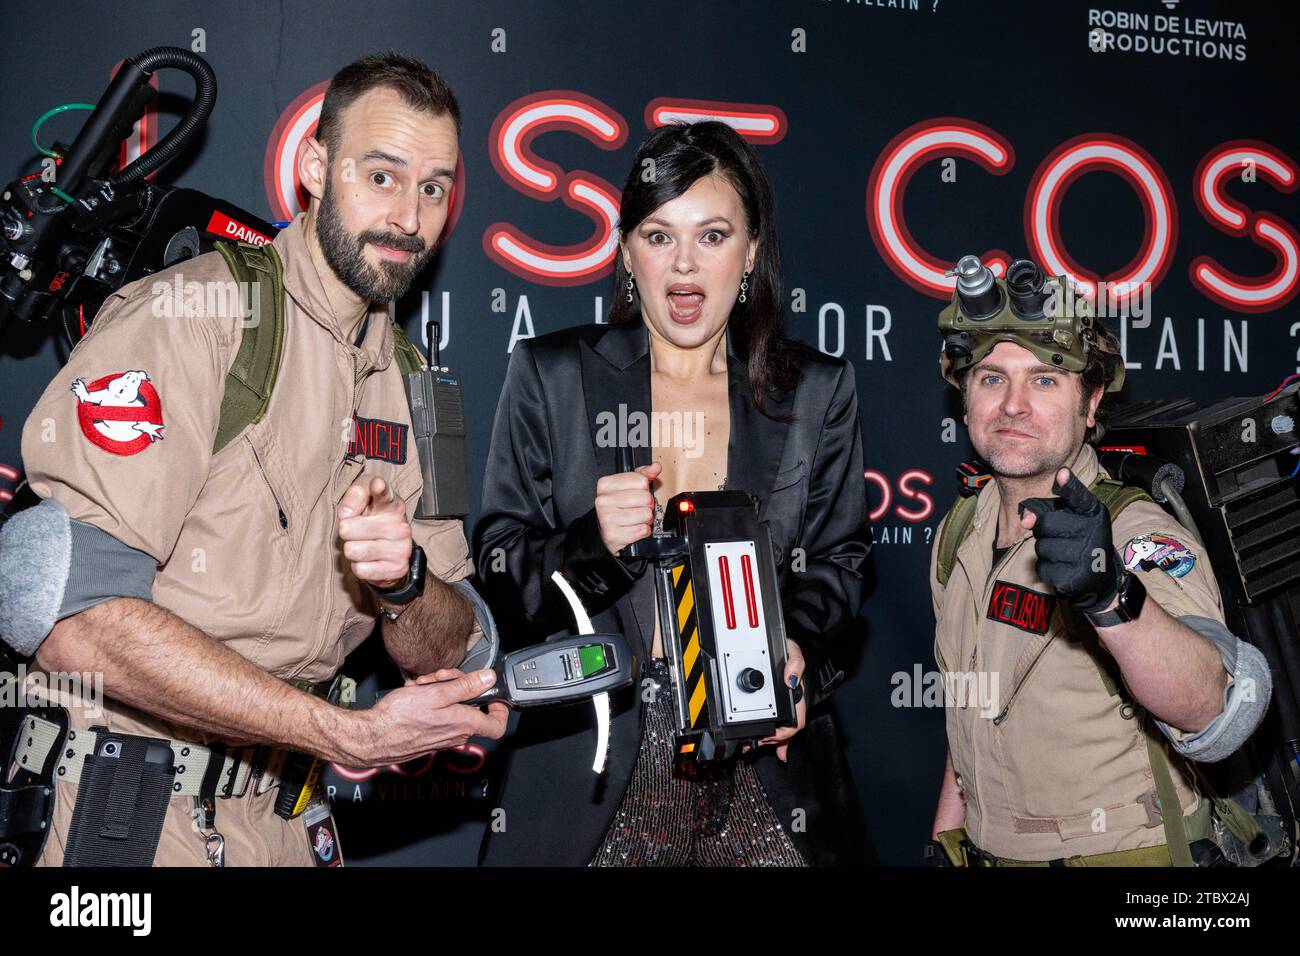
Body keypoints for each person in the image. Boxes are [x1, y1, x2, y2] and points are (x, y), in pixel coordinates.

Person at [0, 52, 507, 867]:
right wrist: (344, 731)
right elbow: (65, 614)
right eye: (382, 176)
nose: (409, 217)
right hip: (120, 812)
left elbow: (457, 644)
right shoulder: (192, 316)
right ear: (314, 167)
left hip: (284, 823)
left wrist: (407, 584)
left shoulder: (418, 390)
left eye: (434, 188)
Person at [473, 121, 874, 866]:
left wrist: (800, 654)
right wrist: (594, 542)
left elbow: (840, 564)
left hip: (768, 777)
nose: (684, 266)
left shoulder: (816, 392)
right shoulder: (553, 377)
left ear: (751, 251)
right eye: (658, 237)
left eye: (713, 235)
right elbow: (500, 578)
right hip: (591, 778)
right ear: (626, 252)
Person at [926, 257, 1272, 866]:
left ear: (1090, 408)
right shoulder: (962, 530)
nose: (1012, 405)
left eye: (1044, 380)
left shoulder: (1135, 534)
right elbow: (972, 704)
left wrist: (1111, 596)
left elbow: (1215, 707)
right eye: (990, 378)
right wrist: (947, 838)